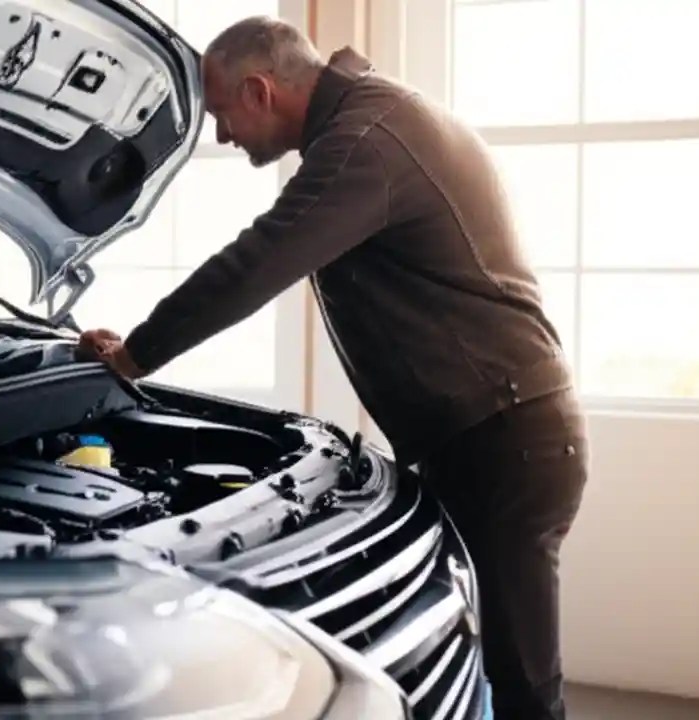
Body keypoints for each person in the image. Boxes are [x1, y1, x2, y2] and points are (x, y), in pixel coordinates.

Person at [76, 16, 588, 720]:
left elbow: (257, 263)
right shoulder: (377, 118)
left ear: (258, 91)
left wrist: (136, 355)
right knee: (479, 669)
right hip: (495, 429)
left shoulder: (364, 142)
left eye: (223, 114)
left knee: (524, 682)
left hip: (503, 437)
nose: (224, 136)